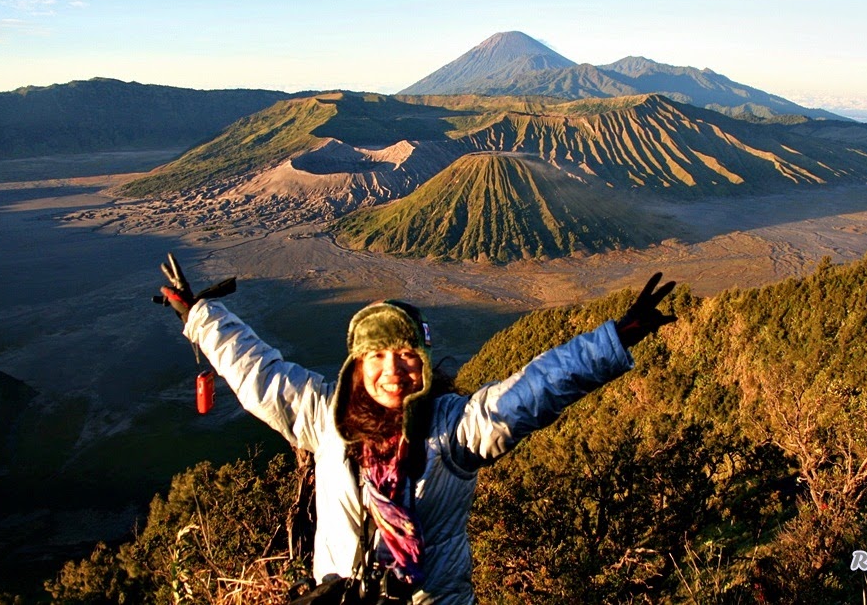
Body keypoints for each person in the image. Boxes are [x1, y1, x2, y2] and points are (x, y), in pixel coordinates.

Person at [157, 253, 676, 605]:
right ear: (356, 365)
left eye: (406, 354)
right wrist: (201, 316)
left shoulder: (455, 431)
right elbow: (259, 373)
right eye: (377, 355)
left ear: (423, 363)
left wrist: (615, 340)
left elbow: (534, 390)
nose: (392, 369)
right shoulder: (325, 414)